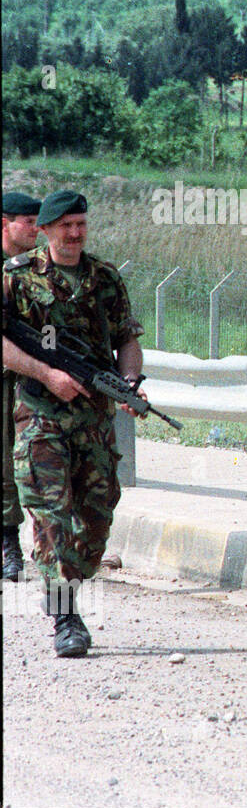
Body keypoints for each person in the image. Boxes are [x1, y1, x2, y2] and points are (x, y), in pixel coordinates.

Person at [2, 190, 145, 656]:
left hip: (94, 420)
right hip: (41, 414)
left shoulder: (104, 278)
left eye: (81, 223)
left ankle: (63, 587)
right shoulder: (16, 278)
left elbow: (127, 338)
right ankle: (67, 618)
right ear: (44, 230)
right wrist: (47, 373)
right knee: (49, 515)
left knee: (96, 520)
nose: (76, 233)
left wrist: (128, 381)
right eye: (66, 225)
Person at [2, 191, 42, 583]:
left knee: (29, 458)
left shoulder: (36, 270)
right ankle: (7, 541)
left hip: (29, 375)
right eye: (28, 221)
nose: (36, 228)